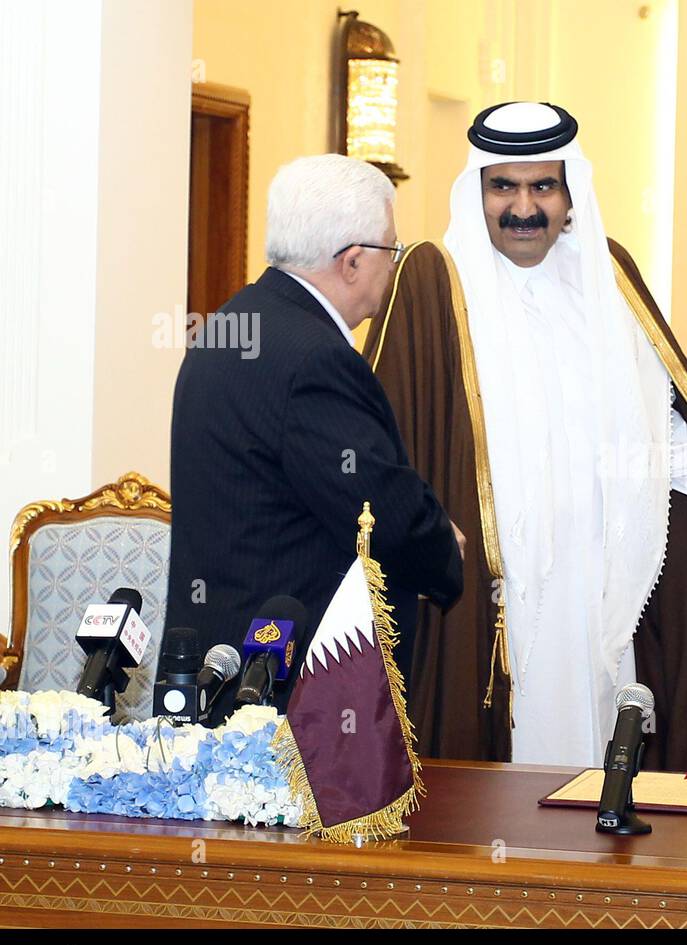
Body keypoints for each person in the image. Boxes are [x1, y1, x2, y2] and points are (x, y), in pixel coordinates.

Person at [365, 102, 687, 774]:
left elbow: (661, 441)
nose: (523, 206)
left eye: (542, 186)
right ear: (478, 192)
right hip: (485, 606)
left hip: (597, 595)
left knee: (596, 783)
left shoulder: (605, 279)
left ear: (569, 193)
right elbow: (385, 446)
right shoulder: (435, 283)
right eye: (504, 186)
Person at [166, 154, 465, 721]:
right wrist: (443, 547)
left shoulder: (229, 325)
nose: (393, 266)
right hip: (287, 684)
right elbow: (377, 512)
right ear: (353, 261)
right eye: (391, 251)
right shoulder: (316, 360)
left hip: (221, 660)